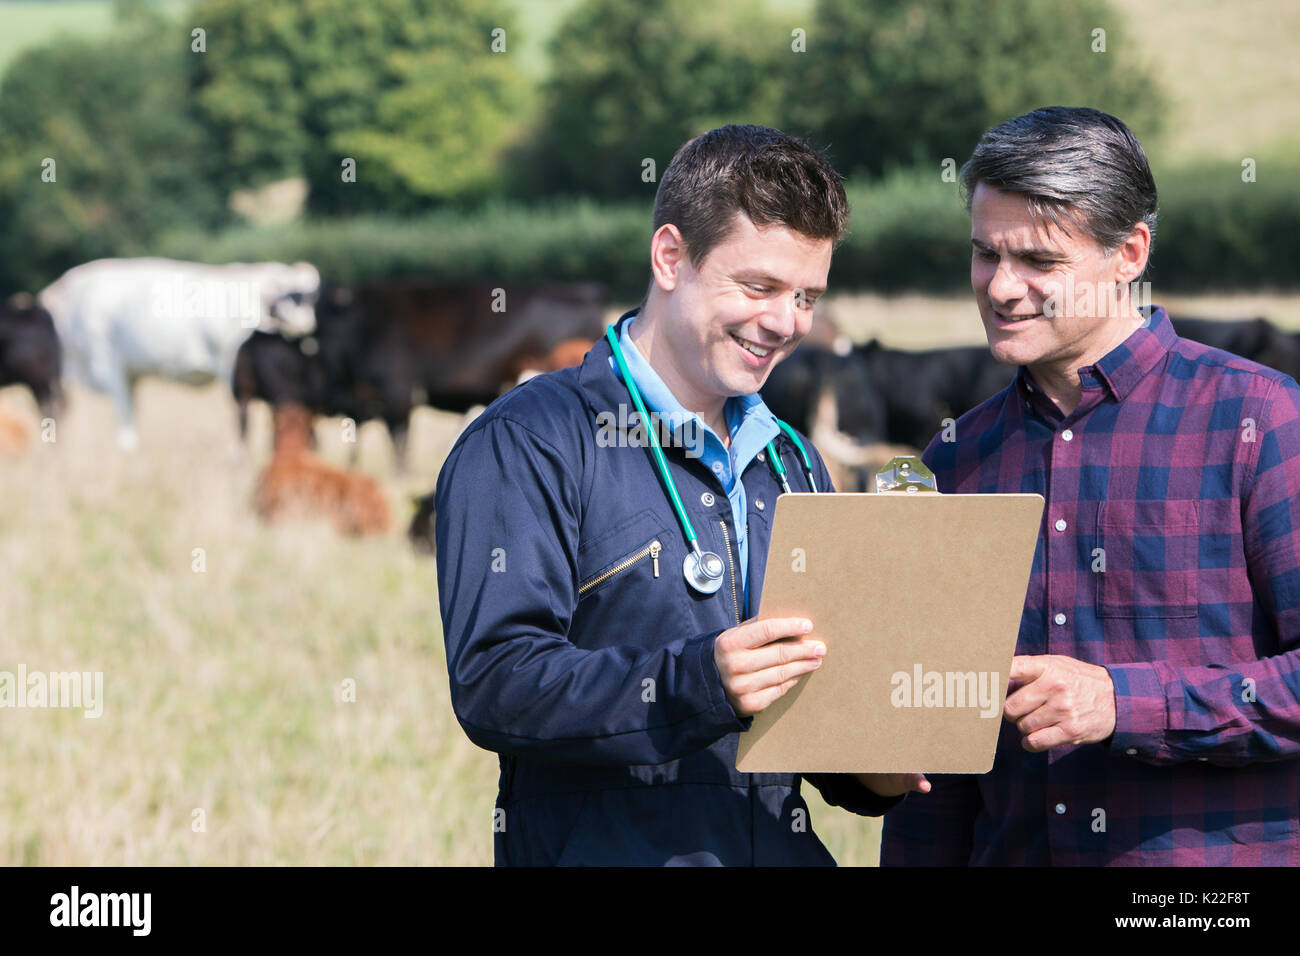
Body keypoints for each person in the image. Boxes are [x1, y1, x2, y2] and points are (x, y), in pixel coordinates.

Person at [434, 124, 925, 866]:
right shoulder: (528, 441)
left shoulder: (796, 462)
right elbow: (497, 682)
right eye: (758, 286)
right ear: (670, 257)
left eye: (806, 297)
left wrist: (875, 767)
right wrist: (695, 682)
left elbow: (806, 724)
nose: (785, 323)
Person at [881, 106, 1300, 865]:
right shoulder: (953, 463)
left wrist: (1127, 703)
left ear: (1129, 251)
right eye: (984, 255)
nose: (1002, 289)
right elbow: (935, 761)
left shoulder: (1260, 419)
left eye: (1039, 261)